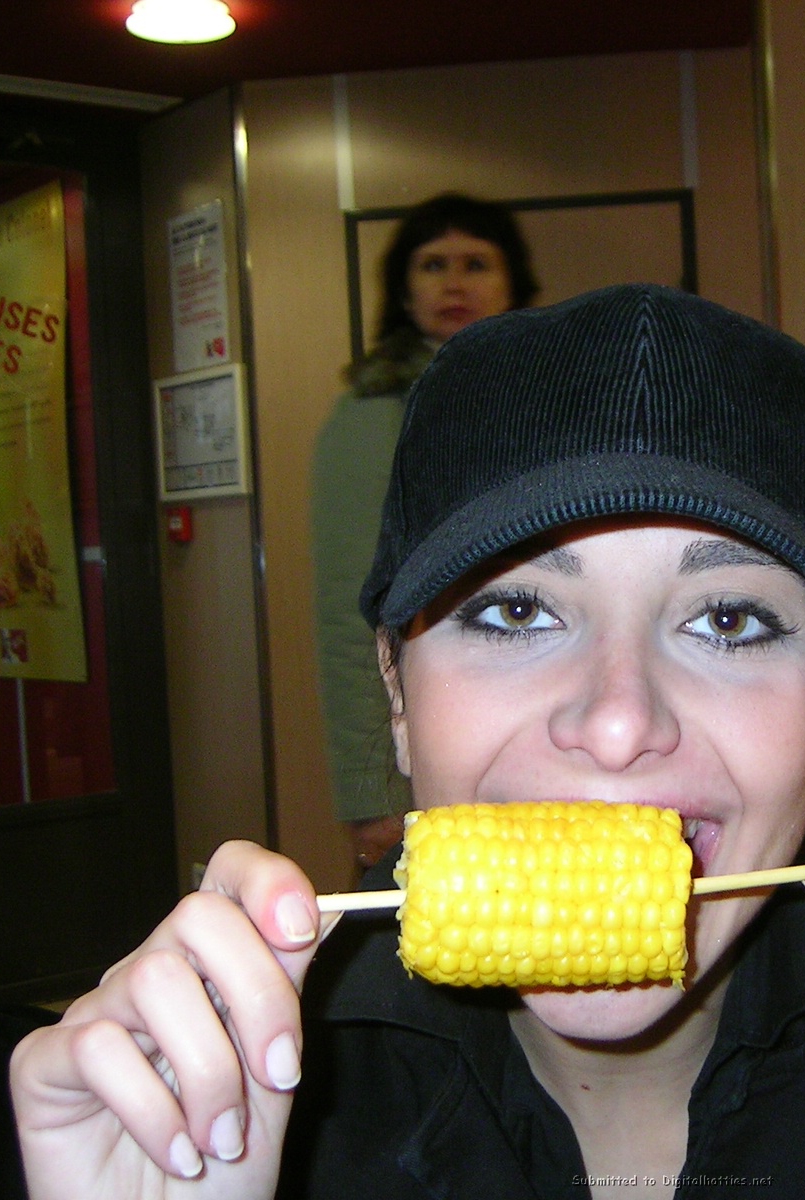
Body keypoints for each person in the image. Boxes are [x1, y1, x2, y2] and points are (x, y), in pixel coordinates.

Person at [12, 285, 805, 1200]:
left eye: (727, 620)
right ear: (396, 692)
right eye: (515, 611)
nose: (617, 724)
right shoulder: (262, 1090)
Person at [311, 192, 539, 870]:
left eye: (476, 263)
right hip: (440, 732)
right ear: (405, 294)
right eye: (433, 265)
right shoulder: (374, 414)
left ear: (513, 285)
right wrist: (372, 792)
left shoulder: (546, 398)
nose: (454, 283)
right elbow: (351, 613)